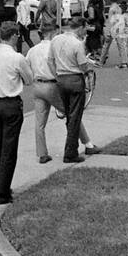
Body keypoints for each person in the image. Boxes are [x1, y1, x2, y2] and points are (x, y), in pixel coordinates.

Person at [27, 27, 97, 163]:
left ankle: (42, 153)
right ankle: (87, 143)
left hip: (37, 85)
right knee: (73, 115)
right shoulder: (53, 46)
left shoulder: (32, 50)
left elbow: (27, 65)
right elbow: (52, 62)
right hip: (52, 84)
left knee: (39, 123)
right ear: (52, 33)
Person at [0, 21, 33, 205]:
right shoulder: (17, 57)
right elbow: (29, 80)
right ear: (13, 36)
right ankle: (3, 192)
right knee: (9, 149)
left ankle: (0, 185)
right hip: (11, 103)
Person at [49, 16, 96, 163]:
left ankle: (71, 148)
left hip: (61, 79)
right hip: (75, 79)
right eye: (84, 29)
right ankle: (70, 152)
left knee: (69, 115)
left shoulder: (56, 39)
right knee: (75, 117)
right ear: (80, 27)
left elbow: (50, 60)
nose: (85, 33)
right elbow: (82, 64)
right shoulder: (78, 43)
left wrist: (56, 75)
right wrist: (88, 72)